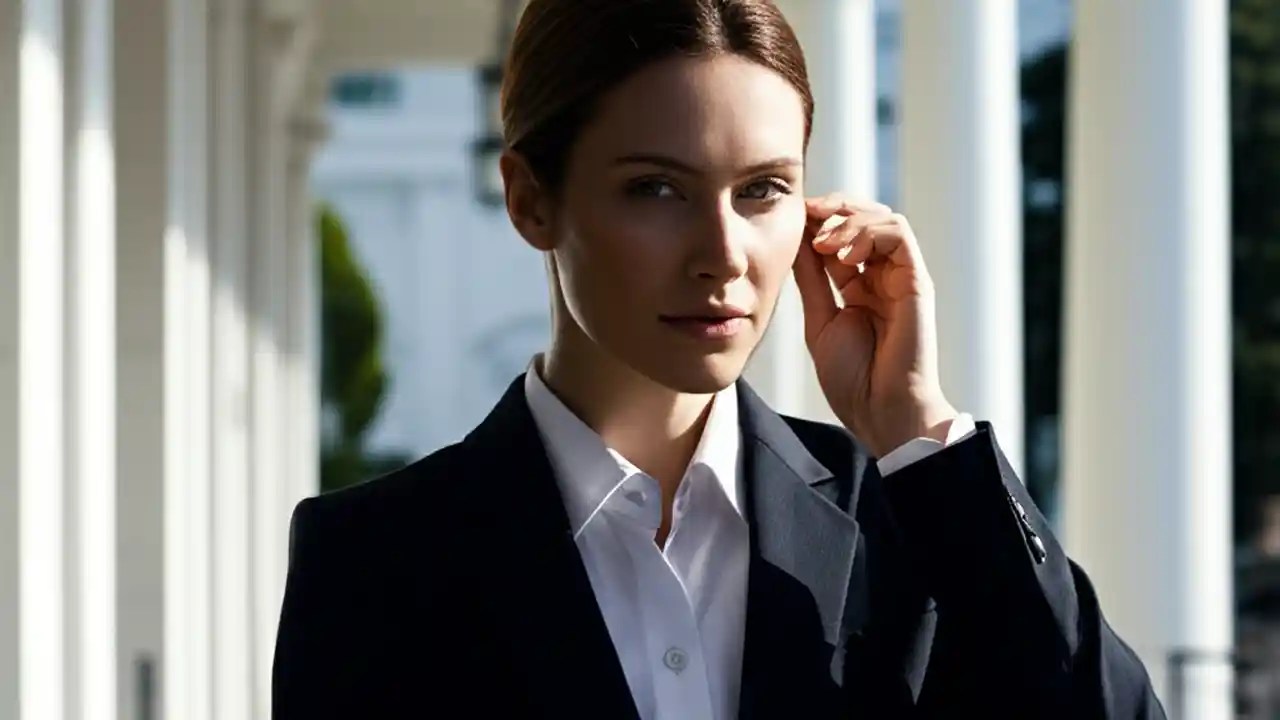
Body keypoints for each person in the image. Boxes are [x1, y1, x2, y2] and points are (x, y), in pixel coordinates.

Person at [272, 0, 1165, 717]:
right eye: (656, 188)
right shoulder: (373, 565)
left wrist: (923, 430)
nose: (723, 252)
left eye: (763, 190)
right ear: (530, 200)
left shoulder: (913, 522)